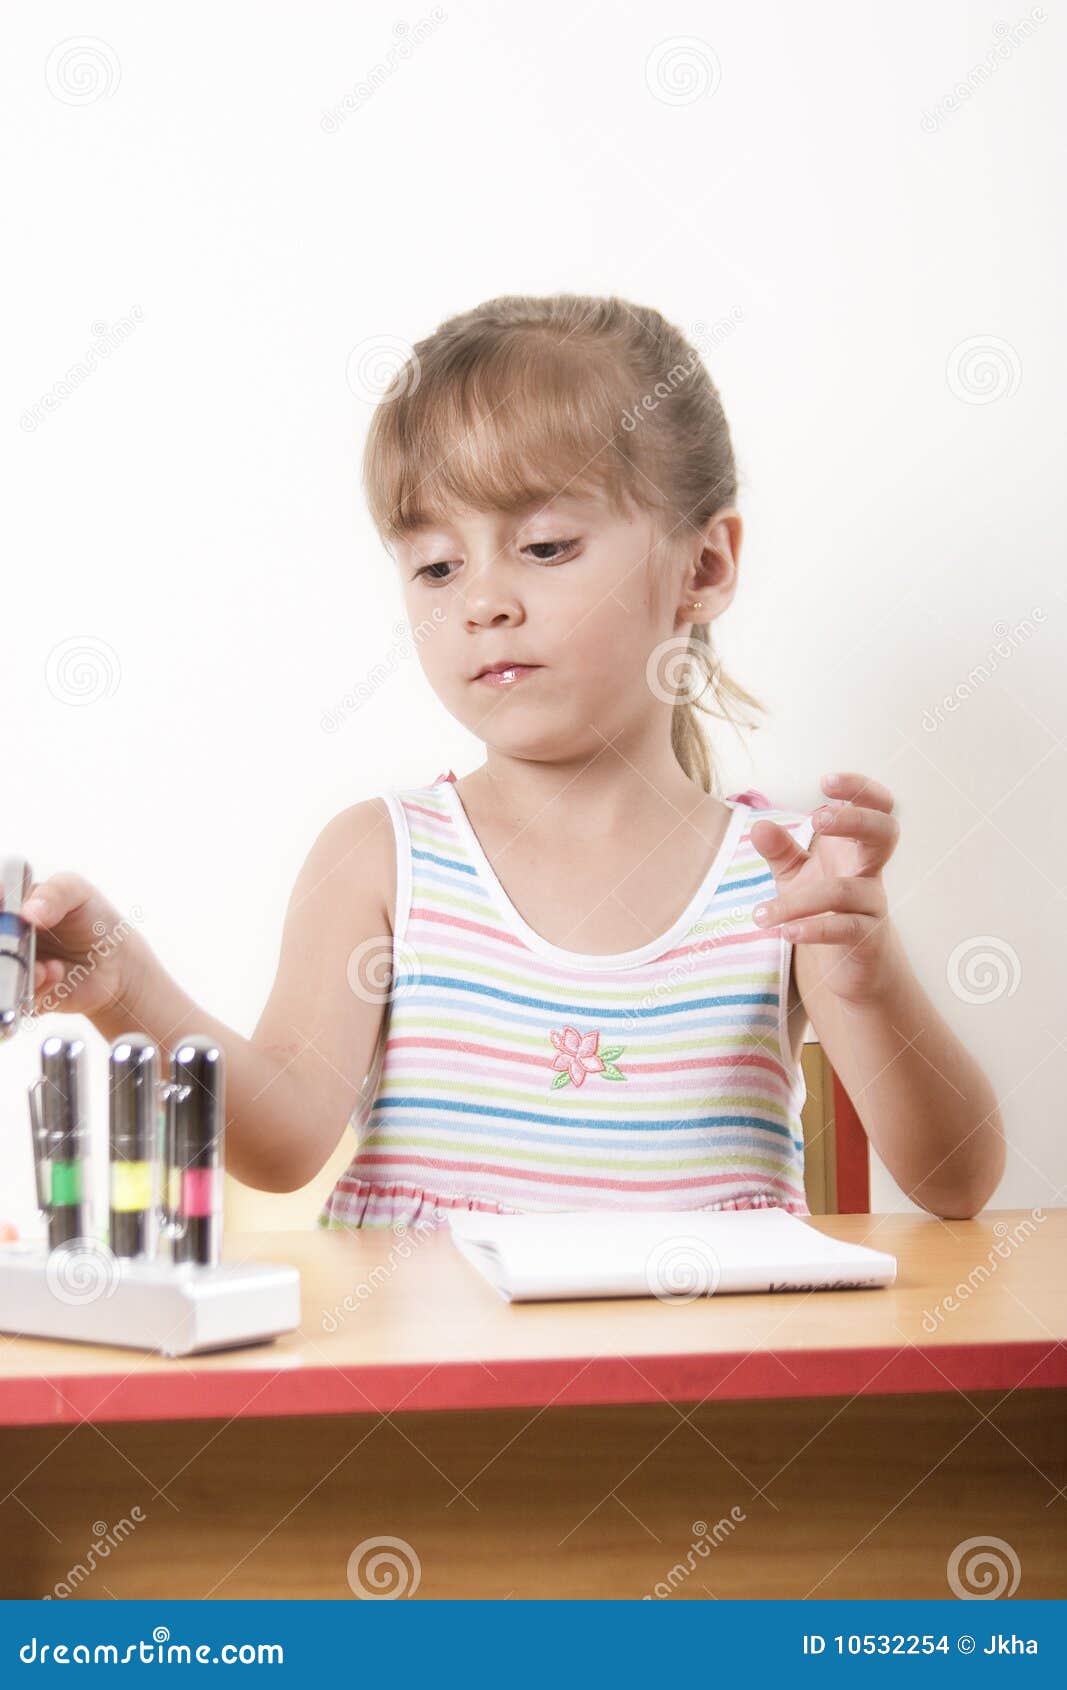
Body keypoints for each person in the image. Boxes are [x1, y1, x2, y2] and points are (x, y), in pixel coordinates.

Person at [23, 293, 1005, 1228]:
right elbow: (280, 1144)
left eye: (543, 546)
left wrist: (866, 975)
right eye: (437, 565)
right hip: (429, 1358)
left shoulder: (783, 877)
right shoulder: (381, 859)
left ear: (702, 568)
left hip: (701, 1355)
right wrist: (124, 984)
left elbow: (955, 1182)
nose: (482, 600)